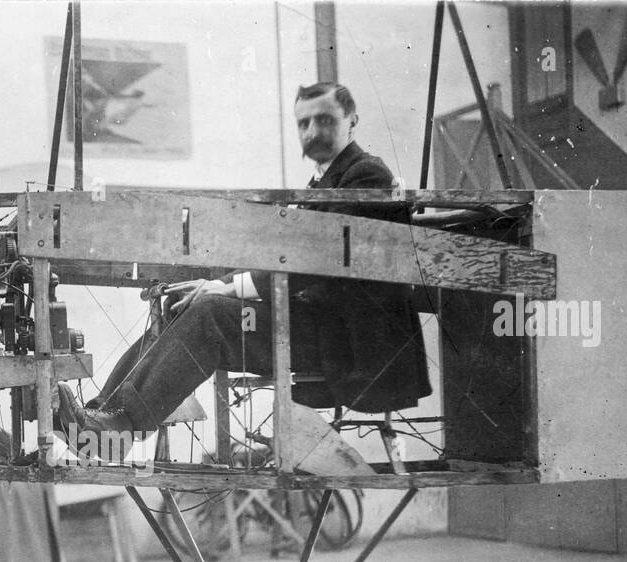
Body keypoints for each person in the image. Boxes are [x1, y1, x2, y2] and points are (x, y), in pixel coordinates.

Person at [57, 82, 432, 445]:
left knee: (209, 316)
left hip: (353, 345)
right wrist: (216, 284)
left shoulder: (367, 175)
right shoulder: (328, 181)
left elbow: (311, 262)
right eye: (304, 123)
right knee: (181, 307)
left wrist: (222, 288)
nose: (313, 131)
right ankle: (103, 419)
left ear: (352, 120)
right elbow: (288, 259)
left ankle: (118, 427)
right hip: (317, 325)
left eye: (325, 120)